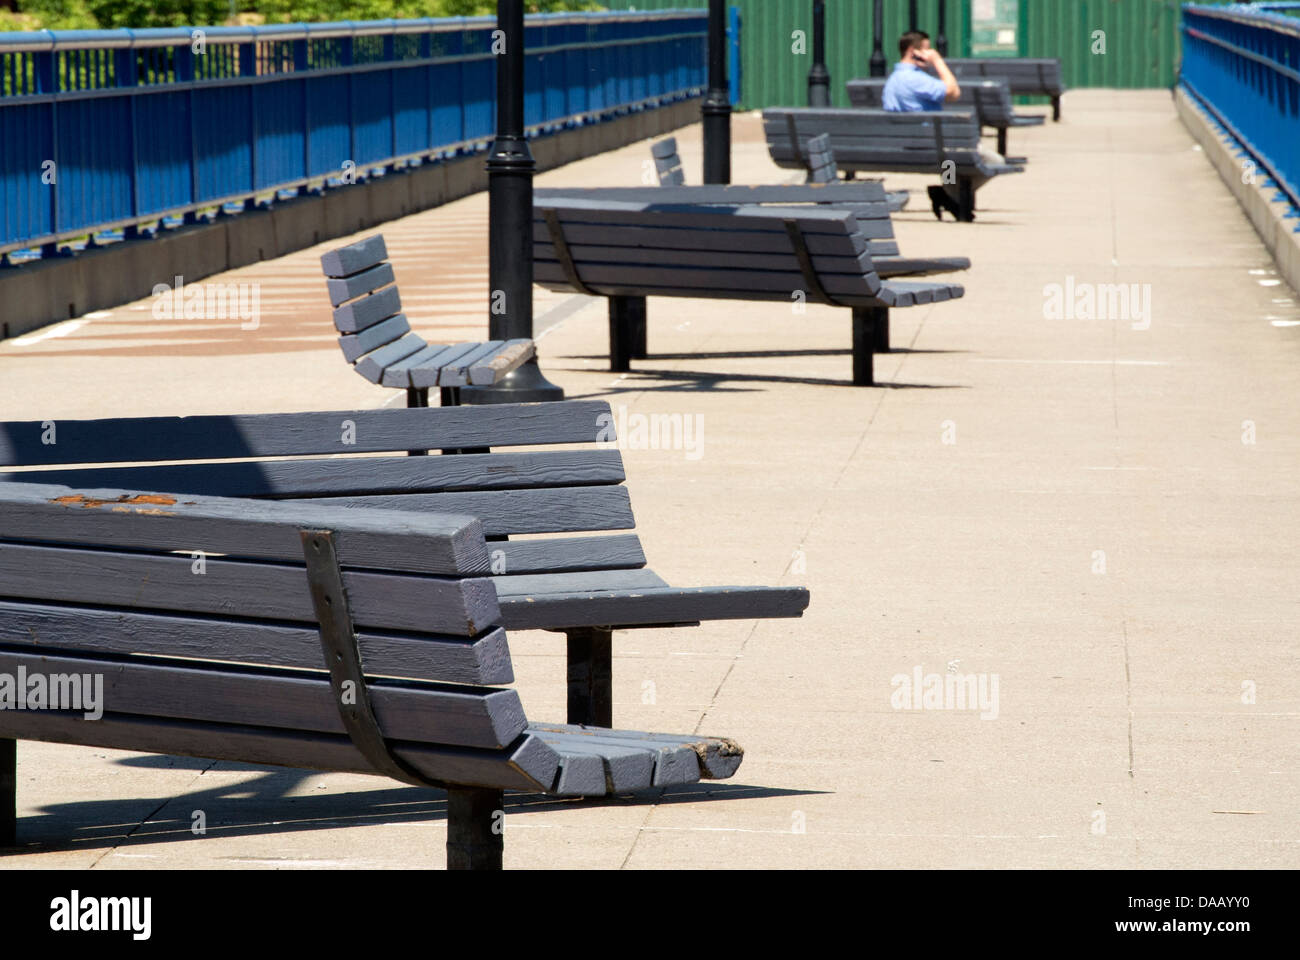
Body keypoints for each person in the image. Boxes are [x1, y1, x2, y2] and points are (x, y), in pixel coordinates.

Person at [882, 30, 1002, 221]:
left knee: (951, 160)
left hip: (907, 146)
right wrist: (938, 61)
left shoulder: (893, 80)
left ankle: (949, 194)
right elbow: (954, 92)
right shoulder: (914, 79)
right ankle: (950, 195)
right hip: (933, 146)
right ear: (914, 51)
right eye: (927, 49)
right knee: (994, 161)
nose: (930, 53)